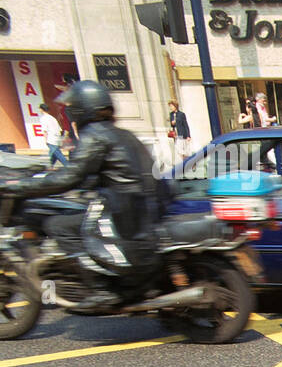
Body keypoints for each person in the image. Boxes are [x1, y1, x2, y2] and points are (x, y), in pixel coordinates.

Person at [0, 81, 163, 313]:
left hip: (121, 210)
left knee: (60, 226)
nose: (69, 111)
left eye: (71, 106)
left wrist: (20, 187)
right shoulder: (122, 134)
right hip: (139, 206)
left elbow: (70, 177)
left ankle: (101, 289)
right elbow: (97, 172)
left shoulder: (95, 135)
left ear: (82, 108)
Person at [38, 103, 68, 168]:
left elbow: (45, 130)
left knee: (58, 154)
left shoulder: (43, 118)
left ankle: (68, 166)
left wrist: (45, 140)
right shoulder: (52, 118)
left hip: (51, 138)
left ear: (41, 109)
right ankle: (50, 165)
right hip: (57, 137)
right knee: (53, 153)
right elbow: (59, 129)